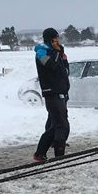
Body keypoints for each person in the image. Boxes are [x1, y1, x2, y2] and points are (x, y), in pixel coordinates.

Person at [33, 28, 70, 162]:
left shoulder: (56, 52)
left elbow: (64, 72)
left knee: (54, 126)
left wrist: (63, 59)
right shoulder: (41, 52)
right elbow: (50, 66)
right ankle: (59, 158)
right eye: (56, 38)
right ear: (51, 39)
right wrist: (56, 52)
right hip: (52, 93)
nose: (58, 41)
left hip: (61, 93)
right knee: (62, 126)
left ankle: (40, 154)